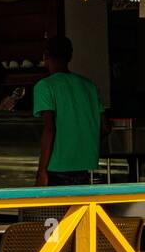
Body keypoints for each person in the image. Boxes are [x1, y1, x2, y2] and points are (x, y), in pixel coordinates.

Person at [34, 35, 107, 187]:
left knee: (57, 211)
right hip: (84, 166)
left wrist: (42, 171)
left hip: (56, 167)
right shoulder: (89, 86)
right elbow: (105, 127)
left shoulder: (44, 86)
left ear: (46, 56)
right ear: (70, 56)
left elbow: (49, 129)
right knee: (79, 210)